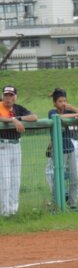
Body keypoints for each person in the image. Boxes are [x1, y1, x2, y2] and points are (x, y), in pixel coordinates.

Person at [45, 88, 78, 210]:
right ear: (54, 103)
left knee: (74, 177)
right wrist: (76, 115)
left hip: (70, 148)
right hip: (58, 150)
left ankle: (73, 203)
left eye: (65, 100)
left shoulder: (69, 110)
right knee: (58, 178)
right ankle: (56, 204)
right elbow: (59, 117)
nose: (63, 103)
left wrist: (73, 108)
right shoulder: (52, 112)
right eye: (60, 101)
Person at [0, 85, 38, 217]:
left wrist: (19, 118)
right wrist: (12, 120)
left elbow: (34, 117)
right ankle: (4, 212)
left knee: (15, 179)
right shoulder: (0, 106)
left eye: (11, 95)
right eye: (6, 95)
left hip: (16, 145)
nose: (8, 98)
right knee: (5, 179)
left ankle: (13, 211)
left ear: (15, 97)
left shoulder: (18, 108)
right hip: (3, 145)